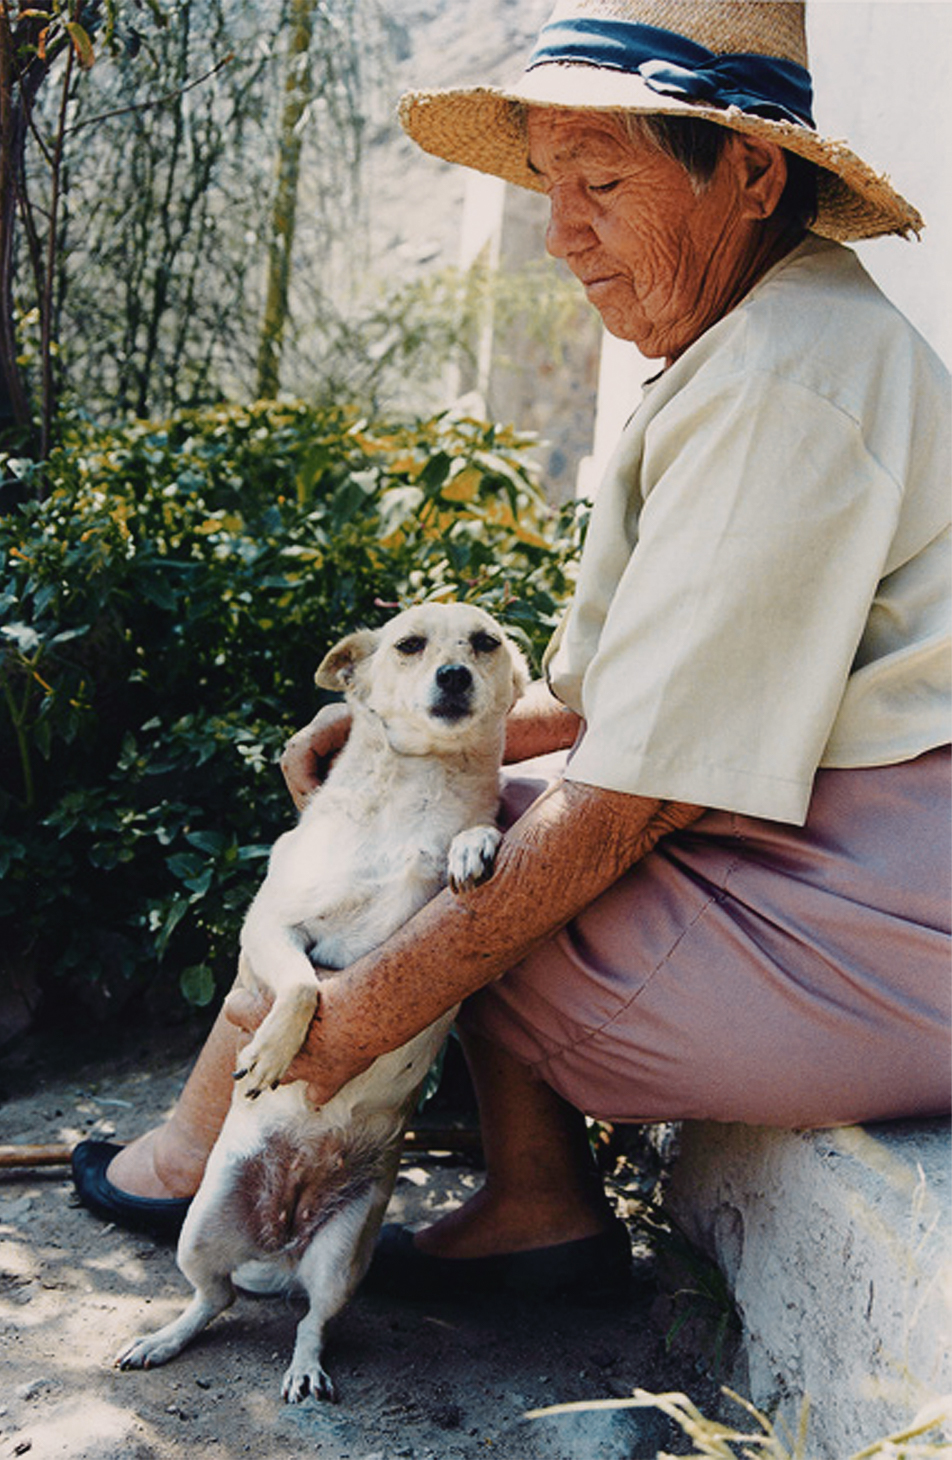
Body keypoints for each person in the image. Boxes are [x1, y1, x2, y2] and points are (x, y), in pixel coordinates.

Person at [75, 0, 950, 1301]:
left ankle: (224, 1144)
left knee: (446, 870)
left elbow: (638, 790)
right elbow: (624, 702)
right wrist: (398, 728)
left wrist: (346, 1022)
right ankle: (526, 1204)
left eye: (602, 183)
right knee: (451, 814)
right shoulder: (757, 341)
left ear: (753, 175)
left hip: (898, 914)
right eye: (553, 186)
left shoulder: (785, 378)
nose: (562, 233)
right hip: (851, 861)